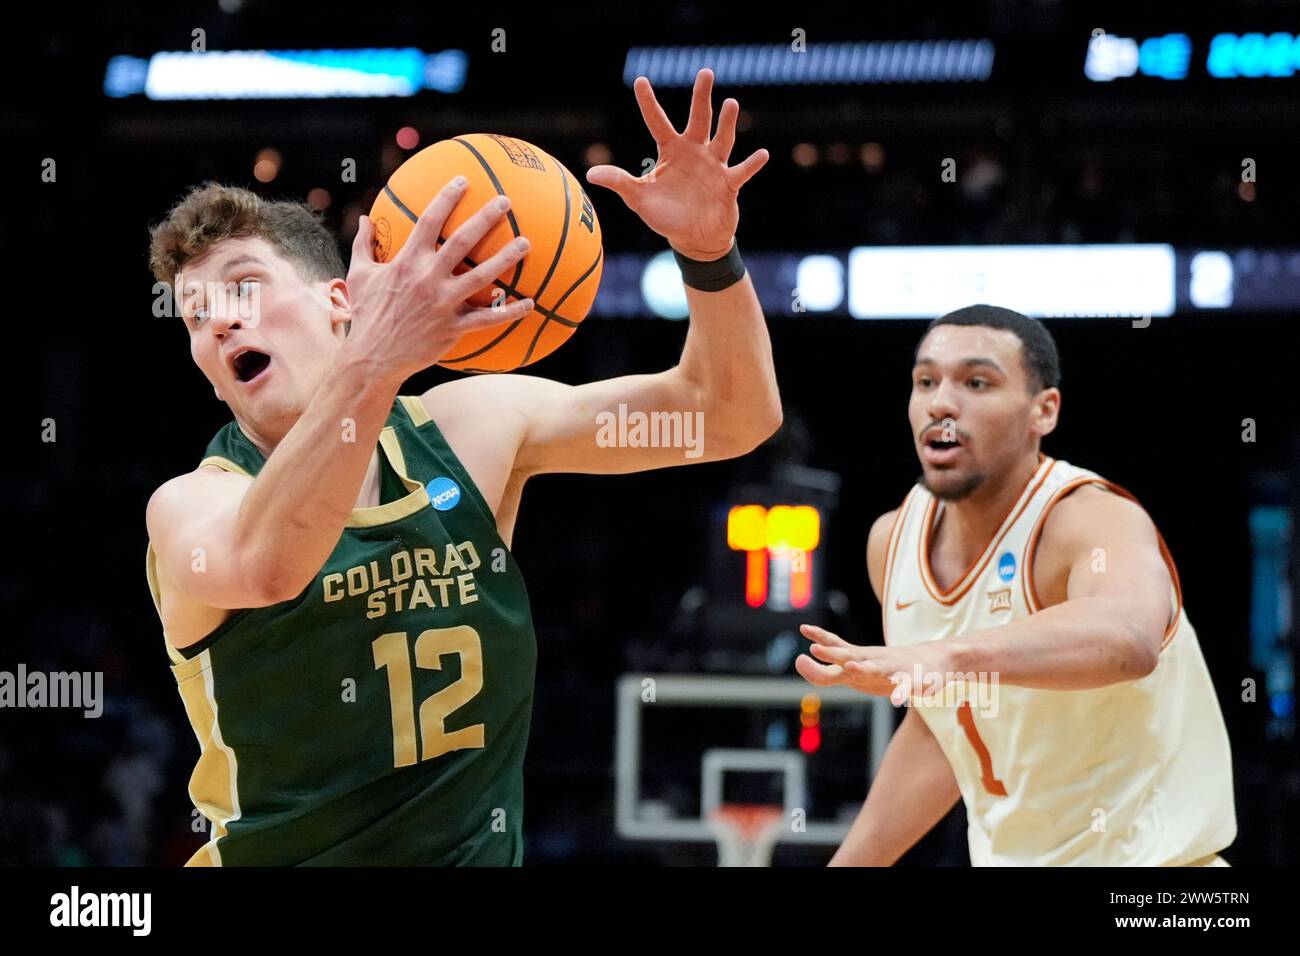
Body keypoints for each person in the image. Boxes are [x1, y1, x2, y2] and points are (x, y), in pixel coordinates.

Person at [144, 68, 778, 865]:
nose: (220, 321)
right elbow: (272, 565)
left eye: (243, 286)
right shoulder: (192, 511)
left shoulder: (472, 428)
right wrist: (374, 360)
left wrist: (709, 255)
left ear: (340, 299)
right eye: (197, 317)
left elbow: (729, 413)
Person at [797, 305, 1235, 866]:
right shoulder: (892, 540)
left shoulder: (1088, 518)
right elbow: (940, 733)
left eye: (977, 382)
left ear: (1043, 411)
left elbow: (1129, 637)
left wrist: (944, 658)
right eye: (926, 381)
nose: (942, 404)